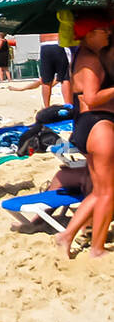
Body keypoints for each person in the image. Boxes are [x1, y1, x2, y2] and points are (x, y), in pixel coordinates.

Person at [57, 18, 114, 258]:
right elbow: (91, 97)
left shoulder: (86, 55)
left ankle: (66, 236)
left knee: (101, 191)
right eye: (103, 30)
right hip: (98, 125)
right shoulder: (89, 60)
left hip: (89, 125)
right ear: (88, 33)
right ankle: (97, 248)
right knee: (107, 192)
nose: (107, 33)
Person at [38, 30, 74, 108]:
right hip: (58, 43)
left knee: (46, 81)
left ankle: (46, 107)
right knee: (65, 78)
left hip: (44, 45)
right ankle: (68, 106)